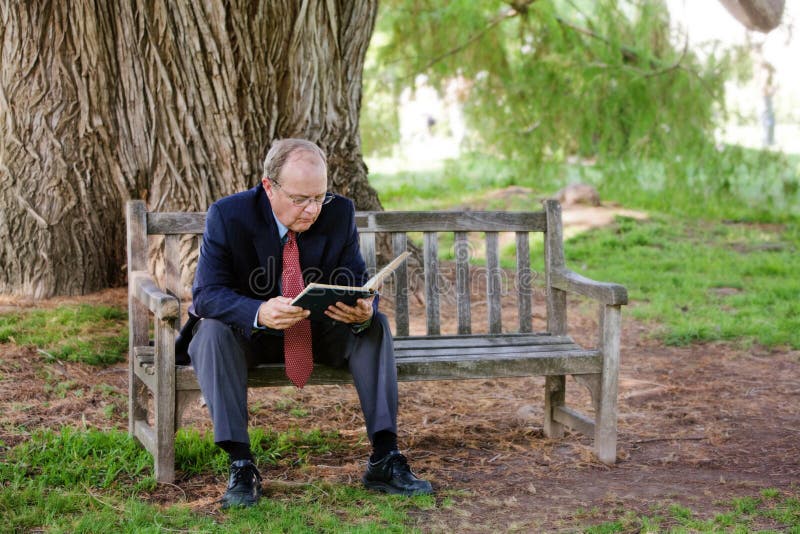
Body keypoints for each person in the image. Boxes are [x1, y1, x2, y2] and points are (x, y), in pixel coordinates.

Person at [180, 138, 432, 508]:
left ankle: (384, 457)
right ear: (269, 187)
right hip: (251, 335)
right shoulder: (229, 215)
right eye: (300, 200)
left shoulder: (339, 212)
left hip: (316, 331)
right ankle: (241, 463)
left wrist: (365, 305)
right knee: (211, 331)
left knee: (373, 326)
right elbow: (206, 294)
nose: (313, 209)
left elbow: (354, 278)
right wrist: (259, 310)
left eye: (319, 197)